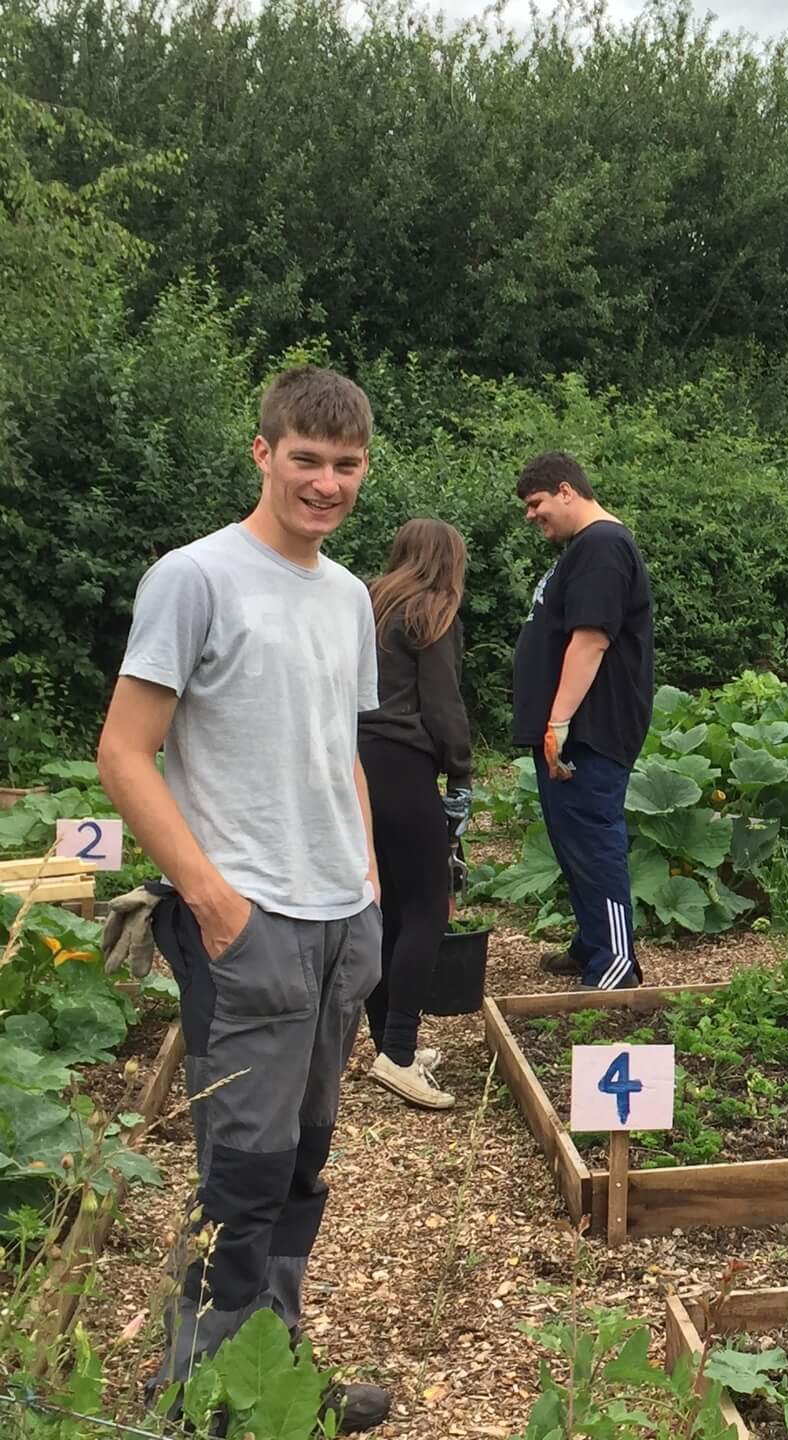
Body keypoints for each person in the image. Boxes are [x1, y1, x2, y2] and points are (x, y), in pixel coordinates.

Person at [96, 365, 390, 1430]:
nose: (325, 483)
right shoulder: (197, 578)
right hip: (250, 921)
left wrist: (367, 885)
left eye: (345, 465)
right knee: (243, 1176)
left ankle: (274, 1379)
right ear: (263, 453)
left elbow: (340, 749)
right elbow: (124, 752)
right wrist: (214, 900)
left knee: (302, 1166)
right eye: (306, 459)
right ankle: (200, 1400)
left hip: (339, 919)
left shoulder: (348, 596)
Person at [512, 451, 653, 990]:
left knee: (593, 841)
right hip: (571, 730)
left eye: (537, 503)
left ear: (567, 491)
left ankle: (616, 962)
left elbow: (591, 640)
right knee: (571, 841)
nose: (531, 515)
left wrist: (559, 722)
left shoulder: (603, 546)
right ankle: (592, 942)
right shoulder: (586, 547)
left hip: (590, 729)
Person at [357, 517, 472, 1109]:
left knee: (386, 909)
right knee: (428, 907)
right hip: (404, 765)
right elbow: (442, 704)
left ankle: (387, 1042)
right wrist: (461, 773)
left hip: (353, 764)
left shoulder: (365, 602)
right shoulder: (433, 612)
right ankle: (400, 1054)